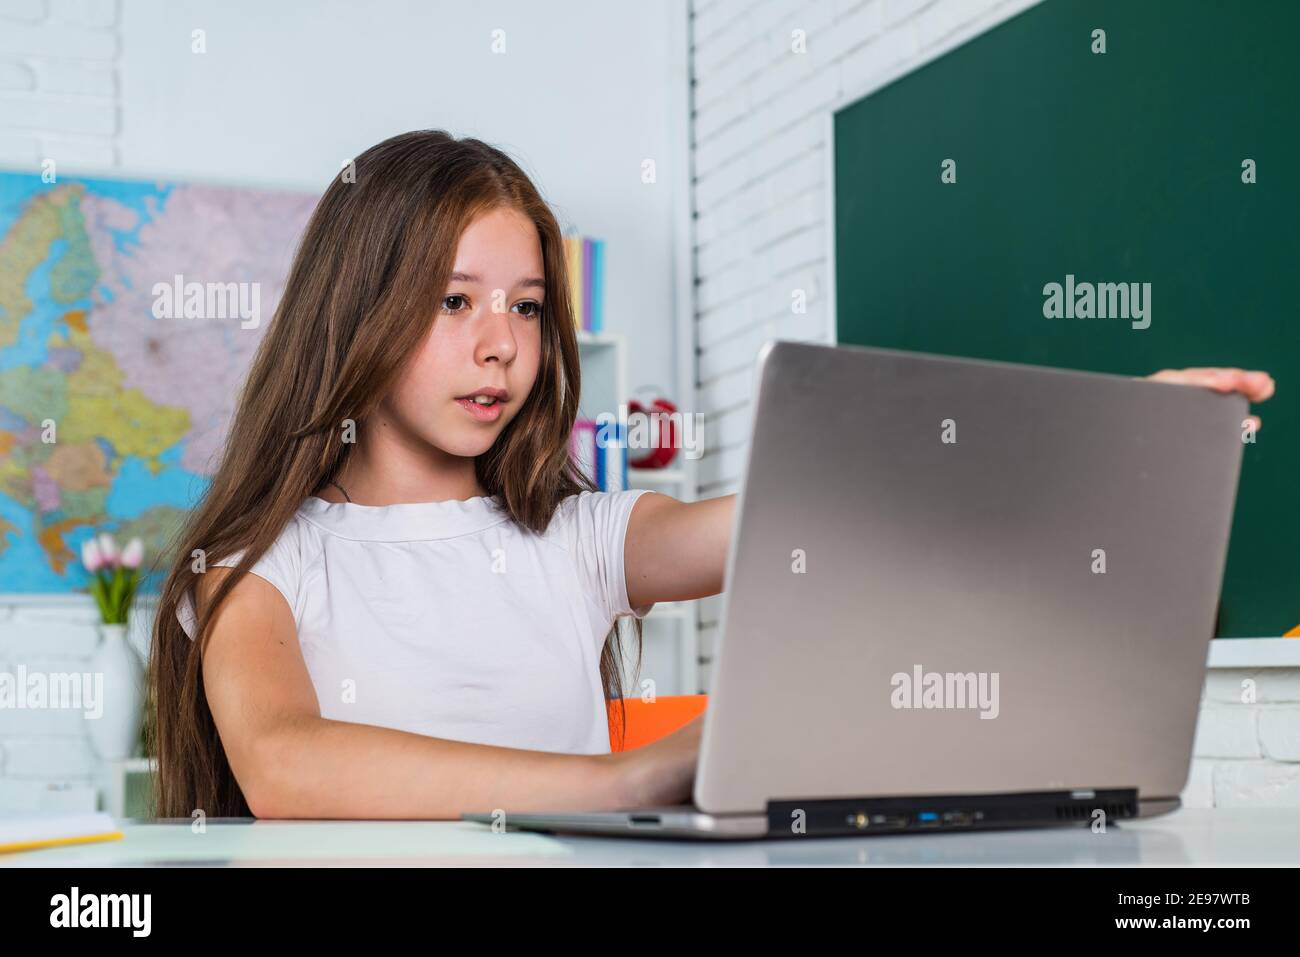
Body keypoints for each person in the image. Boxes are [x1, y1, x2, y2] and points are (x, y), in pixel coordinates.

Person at [149, 130, 1275, 820]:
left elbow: (831, 521)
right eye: (454, 301)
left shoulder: (577, 536)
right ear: (356, 309)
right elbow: (291, 767)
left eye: (527, 307)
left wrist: (1103, 435)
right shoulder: (254, 563)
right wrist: (624, 785)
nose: (501, 342)